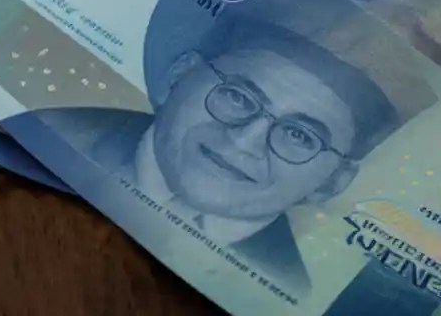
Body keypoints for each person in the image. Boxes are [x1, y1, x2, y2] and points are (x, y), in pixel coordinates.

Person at [90, 21, 411, 292]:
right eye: (237, 96)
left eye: (300, 135)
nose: (244, 141)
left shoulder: (295, 291)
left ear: (332, 183)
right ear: (179, 76)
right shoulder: (54, 124)